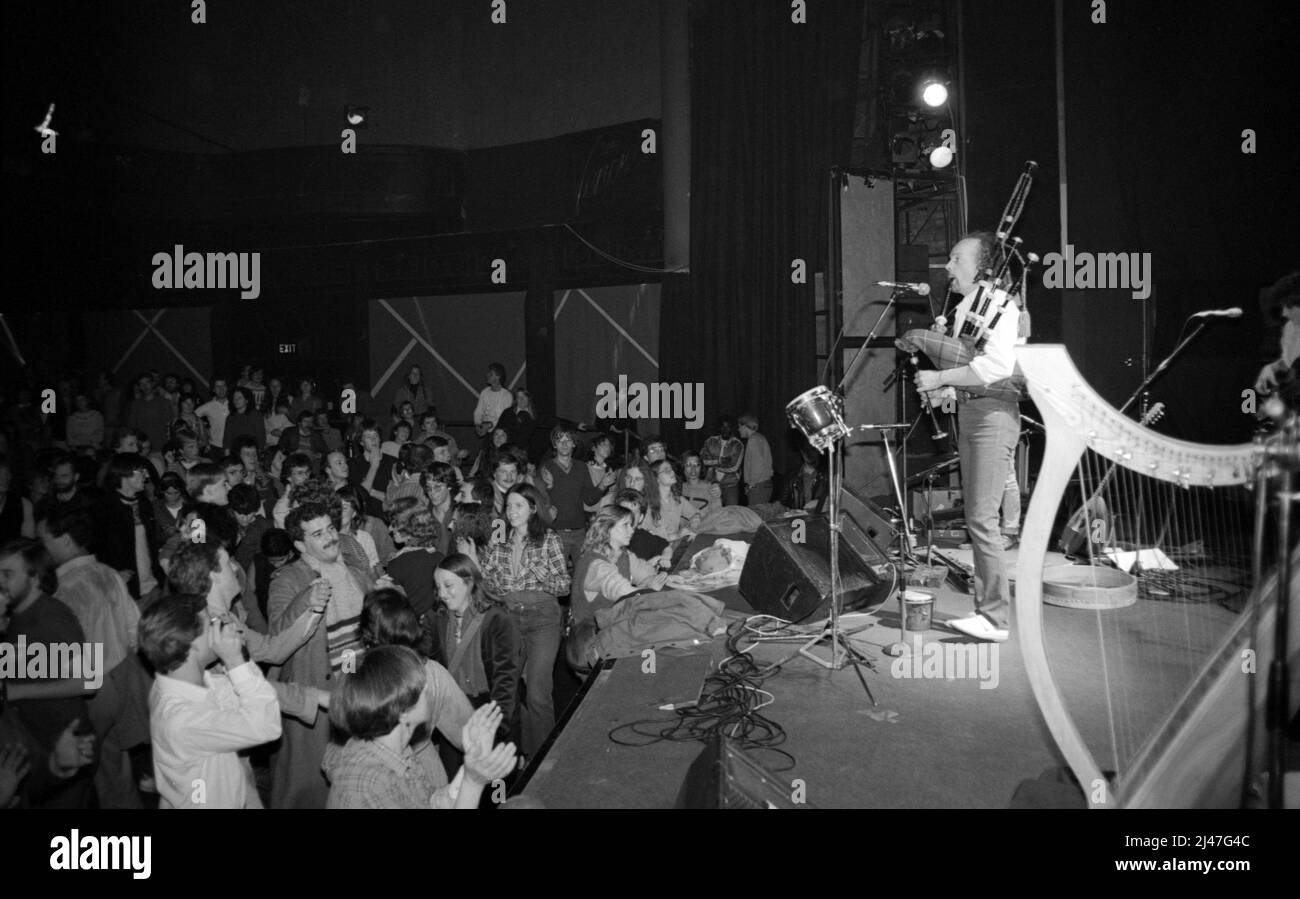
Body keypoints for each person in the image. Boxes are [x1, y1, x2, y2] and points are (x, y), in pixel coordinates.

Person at [911, 231, 1020, 642]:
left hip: (994, 416)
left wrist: (940, 375)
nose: (947, 267)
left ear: (983, 267)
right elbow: (967, 368)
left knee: (982, 518)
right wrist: (945, 389)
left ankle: (994, 619)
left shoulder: (1001, 305)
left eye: (957, 259)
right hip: (973, 415)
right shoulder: (965, 309)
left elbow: (994, 367)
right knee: (978, 518)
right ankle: (986, 611)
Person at [39, 503, 150, 808]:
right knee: (115, 763)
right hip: (119, 677)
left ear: (64, 540)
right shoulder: (107, 573)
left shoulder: (67, 590)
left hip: (91, 691)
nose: (42, 548)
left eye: (44, 540)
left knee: (93, 772)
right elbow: (134, 630)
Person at [267, 502, 375, 808]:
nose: (329, 537)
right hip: (317, 695)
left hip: (358, 691)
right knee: (311, 786)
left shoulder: (354, 570)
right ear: (300, 544)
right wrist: (306, 600)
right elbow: (275, 636)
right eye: (318, 533)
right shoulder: (287, 579)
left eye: (330, 528)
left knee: (358, 779)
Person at [323, 645, 516, 809]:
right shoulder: (369, 785)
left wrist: (471, 763)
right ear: (403, 711)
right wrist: (474, 784)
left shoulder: (398, 749)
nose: (428, 688)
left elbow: (433, 801)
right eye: (421, 687)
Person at [139, 594, 282, 809]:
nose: (220, 626)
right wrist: (235, 661)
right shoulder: (184, 718)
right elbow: (266, 725)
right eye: (211, 623)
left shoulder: (178, 684)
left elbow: (238, 700)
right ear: (192, 644)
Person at [0, 538, 94, 807]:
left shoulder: (56, 616)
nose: (0, 580)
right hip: (33, 746)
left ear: (34, 578)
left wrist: (16, 692)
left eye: (8, 573)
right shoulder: (11, 616)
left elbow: (91, 680)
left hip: (64, 741)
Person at [478, 483, 568, 757]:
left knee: (538, 694)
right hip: (510, 619)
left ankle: (545, 759)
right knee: (506, 694)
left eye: (519, 505)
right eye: (508, 506)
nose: (512, 511)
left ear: (532, 508)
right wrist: (494, 586)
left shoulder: (548, 538)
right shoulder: (500, 538)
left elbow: (564, 585)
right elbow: (486, 580)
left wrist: (543, 578)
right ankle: (511, 758)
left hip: (542, 619)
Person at [432, 554, 522, 744]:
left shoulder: (496, 620)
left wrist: (498, 727)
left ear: (469, 582)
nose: (442, 594)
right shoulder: (439, 619)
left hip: (489, 712)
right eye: (438, 587)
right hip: (454, 713)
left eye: (448, 586)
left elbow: (505, 677)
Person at [572, 506, 667, 627]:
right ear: (607, 528)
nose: (632, 530)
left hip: (614, 627)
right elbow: (626, 595)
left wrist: (655, 580)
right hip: (592, 636)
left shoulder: (623, 554)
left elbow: (646, 574)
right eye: (625, 525)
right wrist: (649, 588)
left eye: (631, 525)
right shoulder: (596, 565)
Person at [94, 453, 164, 603]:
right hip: (125, 590)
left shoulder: (144, 503)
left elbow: (151, 542)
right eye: (141, 471)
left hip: (152, 585)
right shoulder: (105, 507)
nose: (146, 476)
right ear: (123, 473)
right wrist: (112, 574)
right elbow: (98, 548)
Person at [538, 425, 608, 571]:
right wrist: (547, 488)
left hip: (580, 532)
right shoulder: (546, 467)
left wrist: (602, 485)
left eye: (568, 440)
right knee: (556, 579)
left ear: (574, 443)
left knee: (584, 577)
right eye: (560, 440)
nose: (564, 444)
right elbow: (538, 501)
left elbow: (589, 499)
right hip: (556, 532)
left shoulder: (581, 467)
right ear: (554, 444)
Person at [384, 507, 444, 629]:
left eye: (395, 524)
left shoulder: (398, 562)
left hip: (407, 626)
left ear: (408, 531)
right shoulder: (441, 558)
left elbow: (390, 603)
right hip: (436, 625)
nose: (390, 529)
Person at [1253, 270, 1300, 402]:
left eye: (1288, 307)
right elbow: (1288, 364)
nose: (1284, 313)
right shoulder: (1290, 328)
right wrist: (1271, 368)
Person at [643, 458, 697, 542]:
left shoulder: (677, 498)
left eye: (671, 469)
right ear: (656, 478)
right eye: (666, 470)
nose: (672, 472)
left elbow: (695, 513)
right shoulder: (648, 504)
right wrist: (677, 535)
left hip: (676, 545)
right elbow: (642, 537)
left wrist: (694, 522)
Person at [701, 416, 744, 507]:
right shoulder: (710, 441)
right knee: (712, 513)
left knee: (731, 513)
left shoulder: (737, 444)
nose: (725, 429)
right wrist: (721, 461)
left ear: (732, 428)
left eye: (728, 427)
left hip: (730, 485)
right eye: (723, 426)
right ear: (718, 427)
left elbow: (734, 467)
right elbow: (703, 460)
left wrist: (712, 464)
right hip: (711, 483)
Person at [421, 463, 459, 556]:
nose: (432, 493)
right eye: (428, 488)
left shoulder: (461, 512)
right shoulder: (423, 518)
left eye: (438, 487)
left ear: (449, 486)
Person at [737, 413, 773, 506]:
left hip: (758, 486)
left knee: (755, 517)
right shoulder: (760, 437)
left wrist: (750, 485)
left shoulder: (753, 440)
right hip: (763, 484)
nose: (738, 429)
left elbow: (758, 465)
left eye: (739, 426)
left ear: (745, 426)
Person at [495, 388, 538, 459]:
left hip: (523, 452)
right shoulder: (508, 412)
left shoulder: (534, 415)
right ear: (516, 400)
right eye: (518, 397)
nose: (522, 399)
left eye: (524, 396)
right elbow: (499, 429)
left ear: (528, 398)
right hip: (506, 449)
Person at [0, 458, 36, 543]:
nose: (4, 478)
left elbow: (28, 542)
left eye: (6, 473)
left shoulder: (23, 504)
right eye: (0, 474)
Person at [195, 378, 231, 457]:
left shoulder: (234, 403)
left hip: (233, 445)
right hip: (216, 446)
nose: (221, 389)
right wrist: (204, 429)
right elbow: (193, 416)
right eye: (217, 386)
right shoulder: (208, 406)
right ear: (213, 389)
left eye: (223, 385)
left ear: (227, 387)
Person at [680, 452, 724, 516]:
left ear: (701, 467)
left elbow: (717, 516)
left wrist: (718, 497)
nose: (693, 469)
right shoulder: (677, 488)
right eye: (688, 465)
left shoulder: (711, 488)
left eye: (697, 465)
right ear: (682, 467)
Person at [223, 387, 266, 452]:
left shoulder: (255, 415)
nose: (236, 400)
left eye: (239, 398)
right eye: (234, 398)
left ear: (247, 400)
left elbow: (261, 438)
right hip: (235, 453)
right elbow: (227, 441)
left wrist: (258, 455)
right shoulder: (230, 417)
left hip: (252, 452)